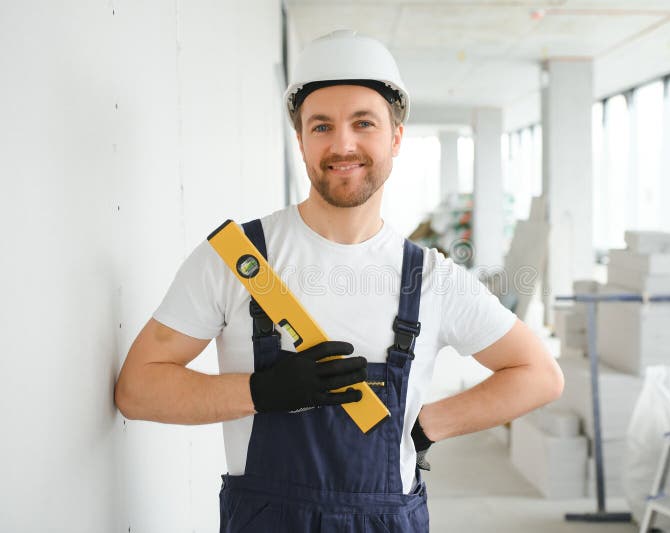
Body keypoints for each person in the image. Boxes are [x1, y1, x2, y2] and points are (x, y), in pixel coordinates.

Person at [115, 29, 564, 532]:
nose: (342, 144)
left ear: (395, 137)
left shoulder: (430, 279)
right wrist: (260, 392)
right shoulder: (238, 260)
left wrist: (426, 425)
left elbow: (539, 374)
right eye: (322, 125)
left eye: (363, 123)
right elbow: (138, 388)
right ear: (301, 140)